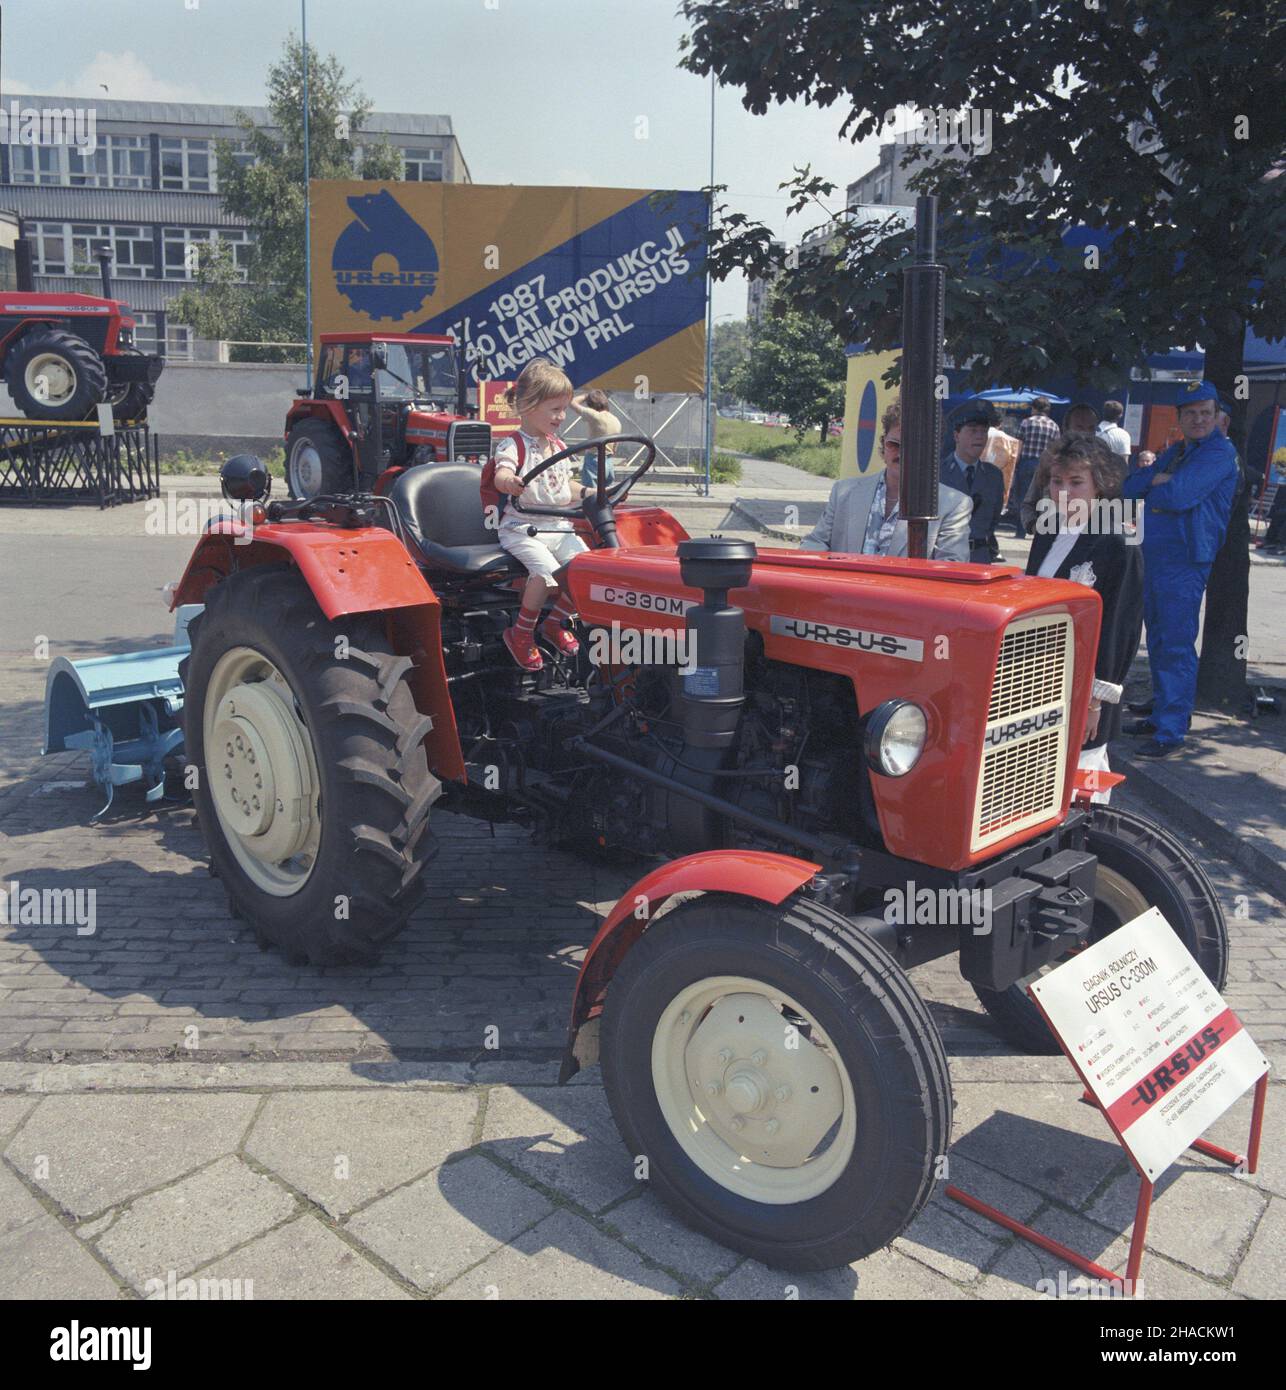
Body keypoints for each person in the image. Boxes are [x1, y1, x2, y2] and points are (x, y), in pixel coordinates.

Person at [1121, 381, 1240, 757]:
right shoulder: (1179, 452)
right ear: (1180, 418)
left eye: (1206, 412)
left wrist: (1157, 485)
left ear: (1218, 416)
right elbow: (1130, 486)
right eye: (1191, 413)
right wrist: (1157, 479)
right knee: (1157, 637)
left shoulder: (1219, 454)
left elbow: (1179, 496)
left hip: (1186, 558)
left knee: (1174, 641)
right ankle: (1162, 711)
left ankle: (1171, 730)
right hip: (1159, 555)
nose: (1199, 419)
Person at [1027, 435, 1143, 801]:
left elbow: (1119, 629)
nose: (1064, 492)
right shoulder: (1047, 531)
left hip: (1086, 690)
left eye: (1076, 483)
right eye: (1057, 481)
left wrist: (1096, 700)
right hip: (1039, 678)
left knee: (1082, 790)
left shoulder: (1118, 540)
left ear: (1100, 485)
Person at [491, 358, 593, 670]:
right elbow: (501, 474)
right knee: (549, 577)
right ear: (527, 406)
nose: (562, 417)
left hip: (558, 527)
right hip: (523, 527)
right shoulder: (514, 445)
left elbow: (564, 486)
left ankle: (555, 624)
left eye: (564, 409)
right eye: (555, 409)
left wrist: (591, 494)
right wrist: (510, 482)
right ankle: (521, 633)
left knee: (588, 575)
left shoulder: (557, 445)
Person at [801, 400, 970, 559]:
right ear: (884, 444)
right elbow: (816, 542)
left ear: (931, 451)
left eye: (912, 447)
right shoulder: (844, 492)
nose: (902, 454)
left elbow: (951, 568)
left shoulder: (954, 505)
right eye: (894, 445)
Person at [1020, 401, 1101, 534]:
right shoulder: (1050, 459)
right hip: (1051, 538)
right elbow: (1029, 503)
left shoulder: (1103, 463)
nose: (1085, 434)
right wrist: (1034, 526)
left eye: (1091, 428)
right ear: (1066, 429)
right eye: (1079, 427)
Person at [941, 401, 1006, 562]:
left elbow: (993, 521)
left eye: (984, 431)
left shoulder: (994, 476)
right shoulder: (937, 473)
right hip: (944, 558)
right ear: (956, 435)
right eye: (972, 430)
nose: (979, 436)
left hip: (979, 557)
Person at [1006, 396, 1060, 537]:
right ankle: (1042, 530)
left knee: (1024, 497)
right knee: (1044, 498)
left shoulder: (1026, 423)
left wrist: (1015, 464)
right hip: (1046, 466)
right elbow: (1056, 450)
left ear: (1034, 408)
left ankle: (1021, 530)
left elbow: (1019, 445)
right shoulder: (1054, 426)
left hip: (1027, 463)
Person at [569, 388, 620, 491]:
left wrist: (586, 395)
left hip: (594, 460)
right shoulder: (616, 420)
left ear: (591, 405)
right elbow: (615, 447)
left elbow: (571, 402)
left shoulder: (595, 415)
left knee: (590, 494)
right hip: (609, 462)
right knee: (606, 495)